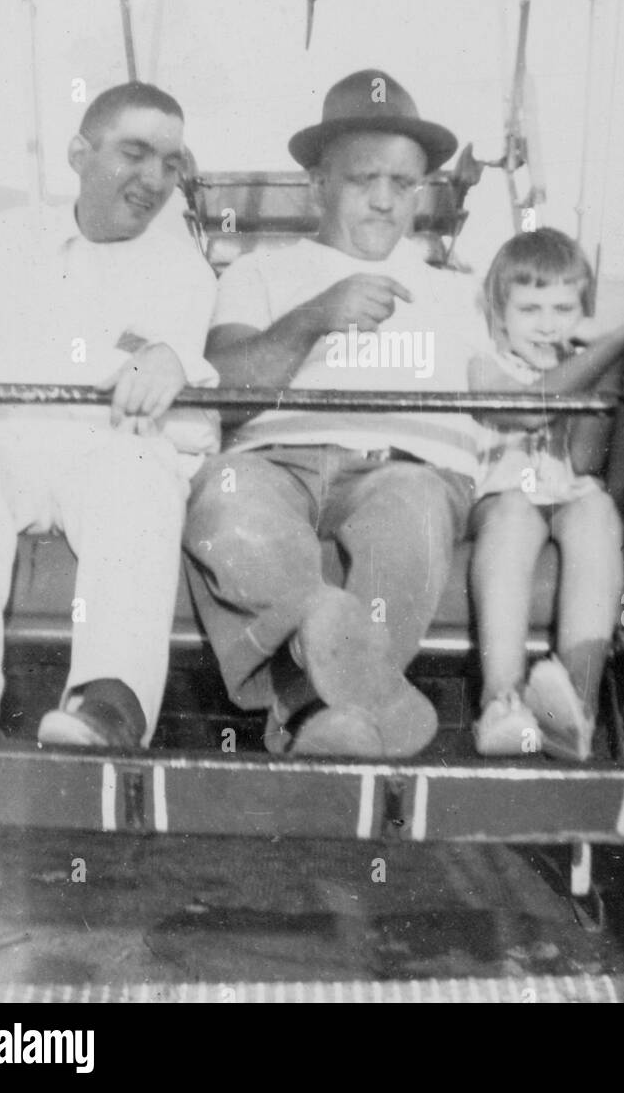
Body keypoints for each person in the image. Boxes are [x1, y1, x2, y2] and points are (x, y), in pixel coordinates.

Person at [183, 68, 489, 759]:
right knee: (226, 496)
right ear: (318, 184)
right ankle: (341, 673)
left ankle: (319, 701)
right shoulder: (257, 275)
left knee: (410, 511)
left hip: (406, 466)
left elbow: (518, 393)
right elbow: (220, 389)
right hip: (272, 463)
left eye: (402, 184)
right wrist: (313, 318)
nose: (384, 202)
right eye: (361, 180)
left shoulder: (457, 296)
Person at [0, 82, 218, 750]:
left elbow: (168, 372)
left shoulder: (182, 270)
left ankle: (107, 707)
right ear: (78, 153)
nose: (153, 179)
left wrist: (166, 360)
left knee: (138, 470)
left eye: (170, 161)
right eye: (133, 153)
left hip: (103, 451)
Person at [468, 229, 624, 759]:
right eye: (530, 309)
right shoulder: (485, 362)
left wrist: (600, 368)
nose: (548, 324)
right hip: (506, 490)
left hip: (568, 489)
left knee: (596, 512)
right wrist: (613, 341)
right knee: (512, 516)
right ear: (499, 313)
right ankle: (501, 699)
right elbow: (524, 407)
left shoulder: (584, 367)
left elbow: (585, 461)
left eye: (563, 309)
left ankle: (576, 706)